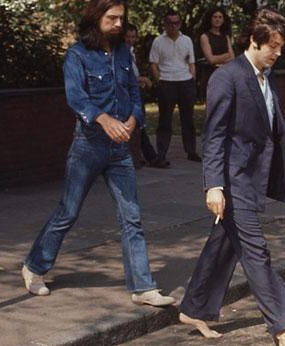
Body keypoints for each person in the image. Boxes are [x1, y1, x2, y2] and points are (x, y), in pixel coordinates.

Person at [21, 0, 175, 307]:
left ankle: (143, 287)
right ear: (96, 19)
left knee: (131, 216)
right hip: (88, 146)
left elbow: (134, 93)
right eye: (112, 18)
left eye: (121, 18)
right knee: (69, 211)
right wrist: (104, 120)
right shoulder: (77, 55)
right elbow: (75, 97)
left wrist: (133, 120)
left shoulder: (122, 53)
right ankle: (34, 267)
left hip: (119, 150)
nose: (119, 24)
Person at [177, 8, 285, 346]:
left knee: (224, 245)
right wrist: (214, 185)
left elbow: (275, 123)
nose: (278, 53)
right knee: (256, 251)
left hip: (252, 176)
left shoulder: (265, 76)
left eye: (281, 46)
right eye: (274, 46)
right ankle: (283, 326)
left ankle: (195, 307)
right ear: (254, 41)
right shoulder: (228, 77)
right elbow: (215, 135)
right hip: (232, 177)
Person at [149, 9, 200, 166]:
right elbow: (153, 64)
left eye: (176, 23)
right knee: (165, 120)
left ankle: (191, 151)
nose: (173, 26)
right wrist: (160, 81)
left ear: (180, 23)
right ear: (165, 24)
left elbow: (192, 62)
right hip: (167, 82)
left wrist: (192, 79)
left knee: (188, 119)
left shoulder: (187, 40)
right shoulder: (158, 41)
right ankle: (162, 153)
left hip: (185, 82)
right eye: (170, 23)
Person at [123, 23, 161, 168]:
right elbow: (125, 76)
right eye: (127, 37)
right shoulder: (121, 53)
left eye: (133, 37)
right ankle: (149, 156)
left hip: (135, 91)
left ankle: (145, 156)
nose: (130, 40)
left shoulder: (131, 51)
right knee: (138, 124)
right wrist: (142, 79)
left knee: (140, 124)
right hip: (127, 93)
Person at [197, 7, 235, 101]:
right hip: (210, 75)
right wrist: (226, 56)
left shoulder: (226, 36)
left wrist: (219, 60)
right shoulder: (205, 36)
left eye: (220, 17)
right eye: (215, 17)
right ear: (210, 18)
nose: (217, 19)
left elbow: (233, 57)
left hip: (226, 75)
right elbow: (211, 59)